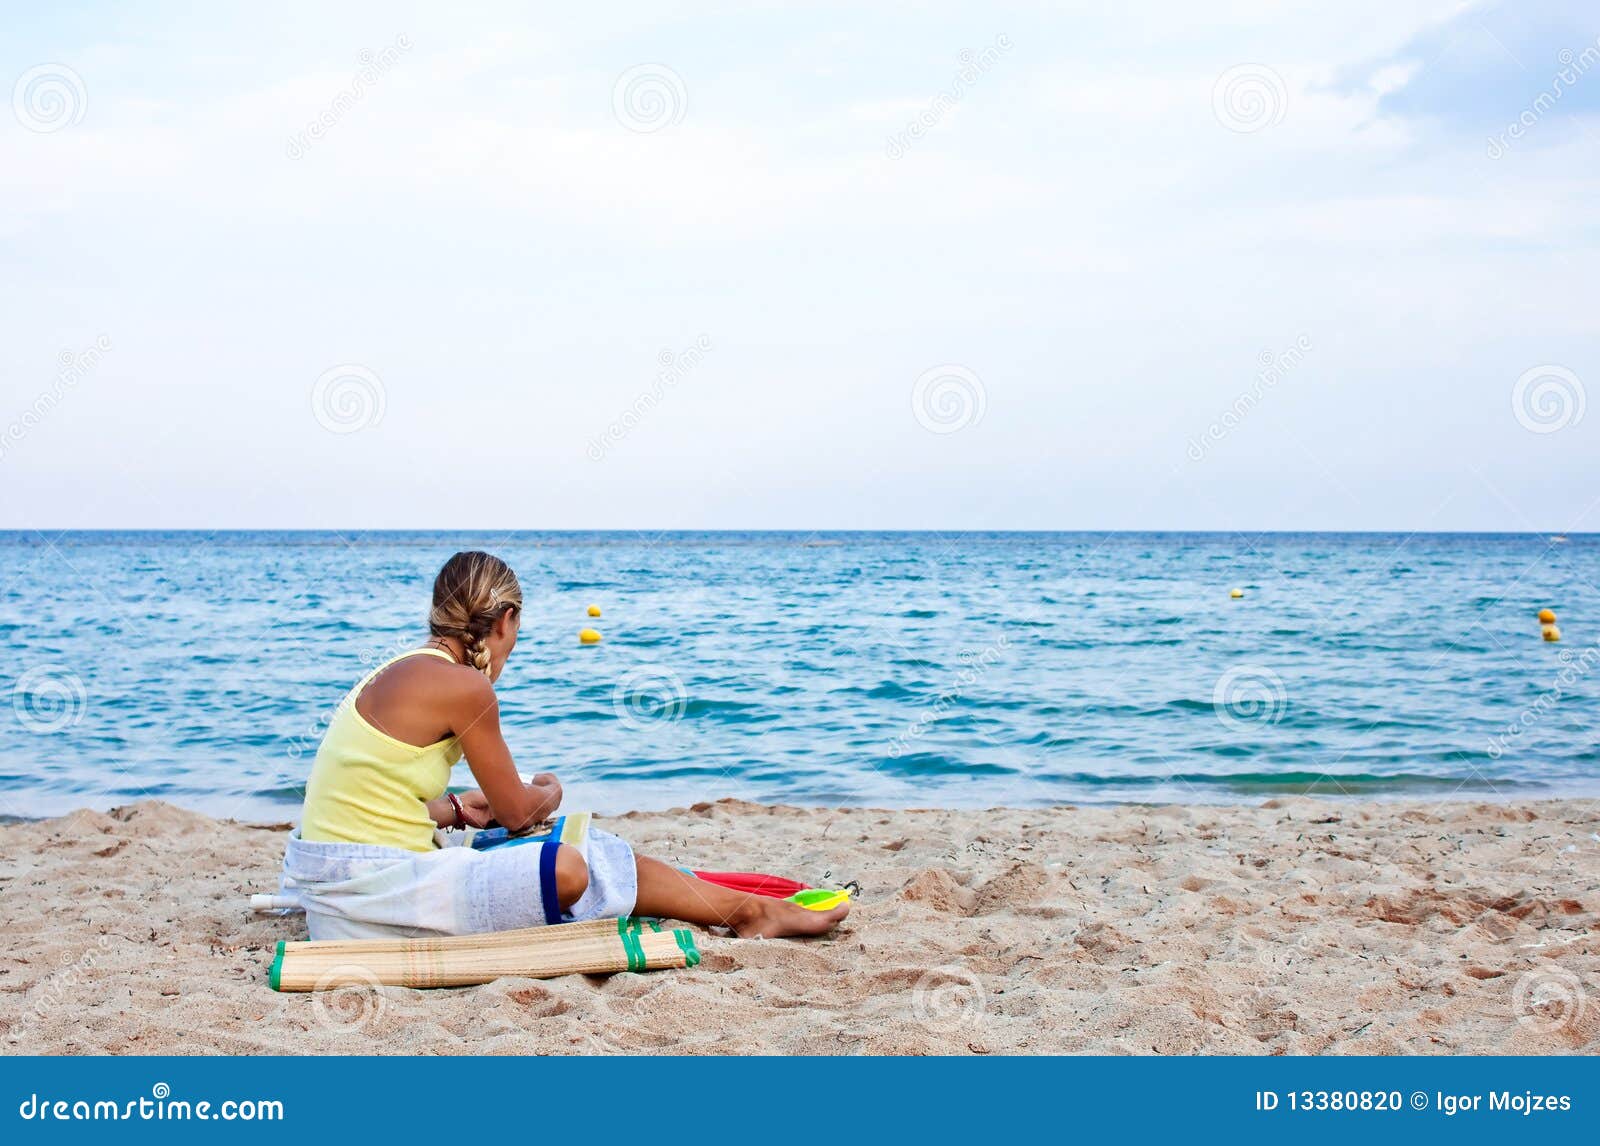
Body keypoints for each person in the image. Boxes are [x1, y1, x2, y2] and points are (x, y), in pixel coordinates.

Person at [281, 550, 848, 942]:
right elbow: (515, 813)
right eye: (516, 635)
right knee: (571, 865)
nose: (511, 648)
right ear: (504, 621)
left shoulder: (400, 669)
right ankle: (749, 912)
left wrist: (455, 808)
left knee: (594, 852)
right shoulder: (465, 685)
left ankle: (749, 910)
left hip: (340, 872)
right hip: (368, 894)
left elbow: (366, 797)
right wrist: (545, 792)